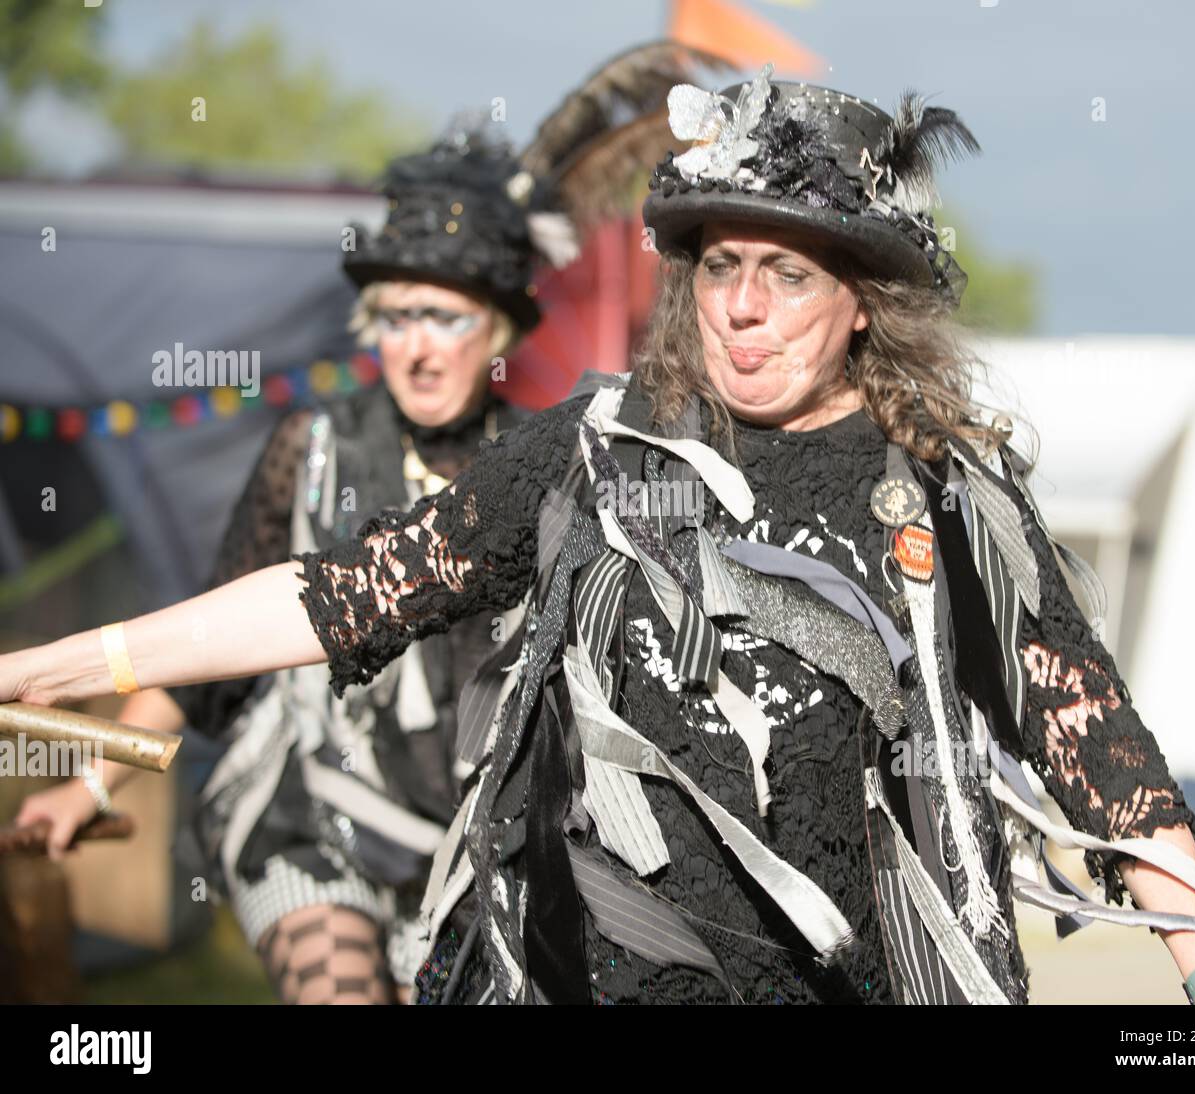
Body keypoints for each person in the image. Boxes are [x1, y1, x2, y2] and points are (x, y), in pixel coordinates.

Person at [5, 67, 1195, 1006]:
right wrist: (65, 667)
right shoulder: (597, 450)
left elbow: (1099, 752)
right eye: (720, 264)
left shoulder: (949, 494)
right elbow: (347, 591)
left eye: (787, 273)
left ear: (861, 302)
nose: (741, 306)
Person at [11, 42, 716, 1004]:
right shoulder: (313, 448)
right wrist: (89, 785)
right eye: (394, 317)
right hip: (314, 821)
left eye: (445, 318)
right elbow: (215, 661)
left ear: (501, 332)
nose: (417, 348)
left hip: (474, 847)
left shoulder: (549, 468)